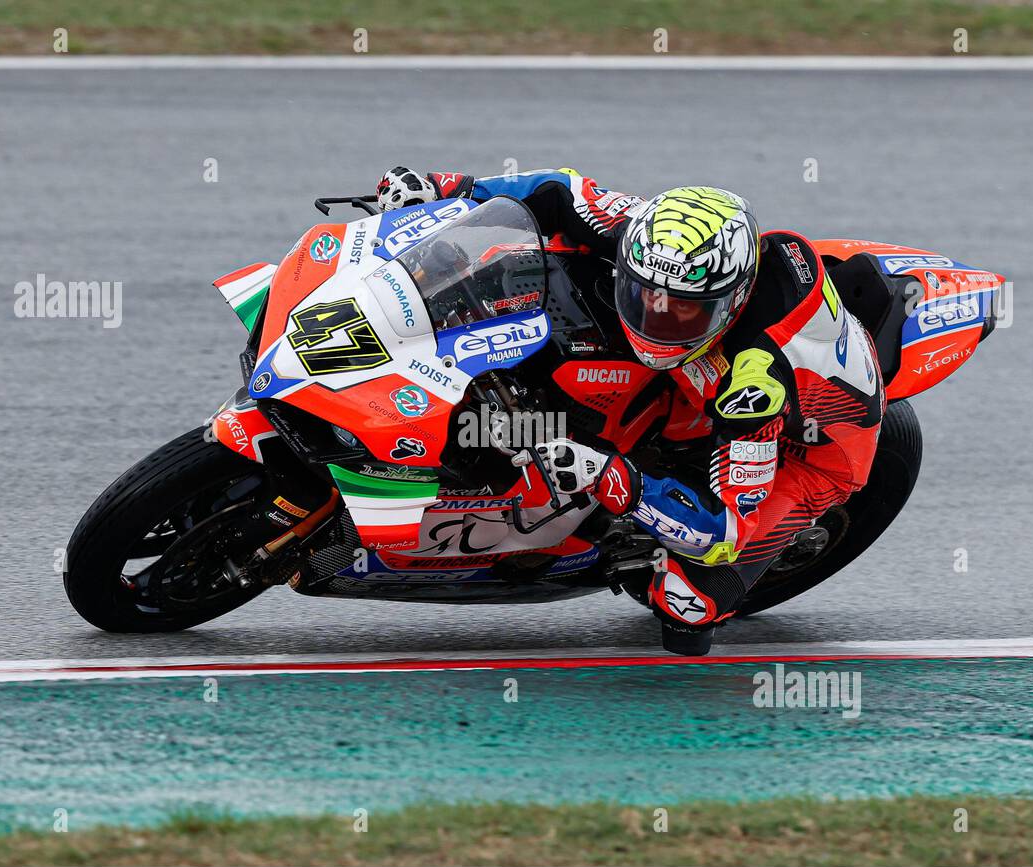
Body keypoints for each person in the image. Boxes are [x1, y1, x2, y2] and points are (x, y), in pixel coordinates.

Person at [375, 166, 885, 655]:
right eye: (643, 295)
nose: (654, 317)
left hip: (810, 450)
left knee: (687, 605)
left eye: (681, 309)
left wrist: (611, 477)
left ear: (727, 305)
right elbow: (558, 190)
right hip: (701, 362)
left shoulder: (754, 390)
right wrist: (448, 187)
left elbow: (721, 532)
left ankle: (645, 548)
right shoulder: (650, 241)